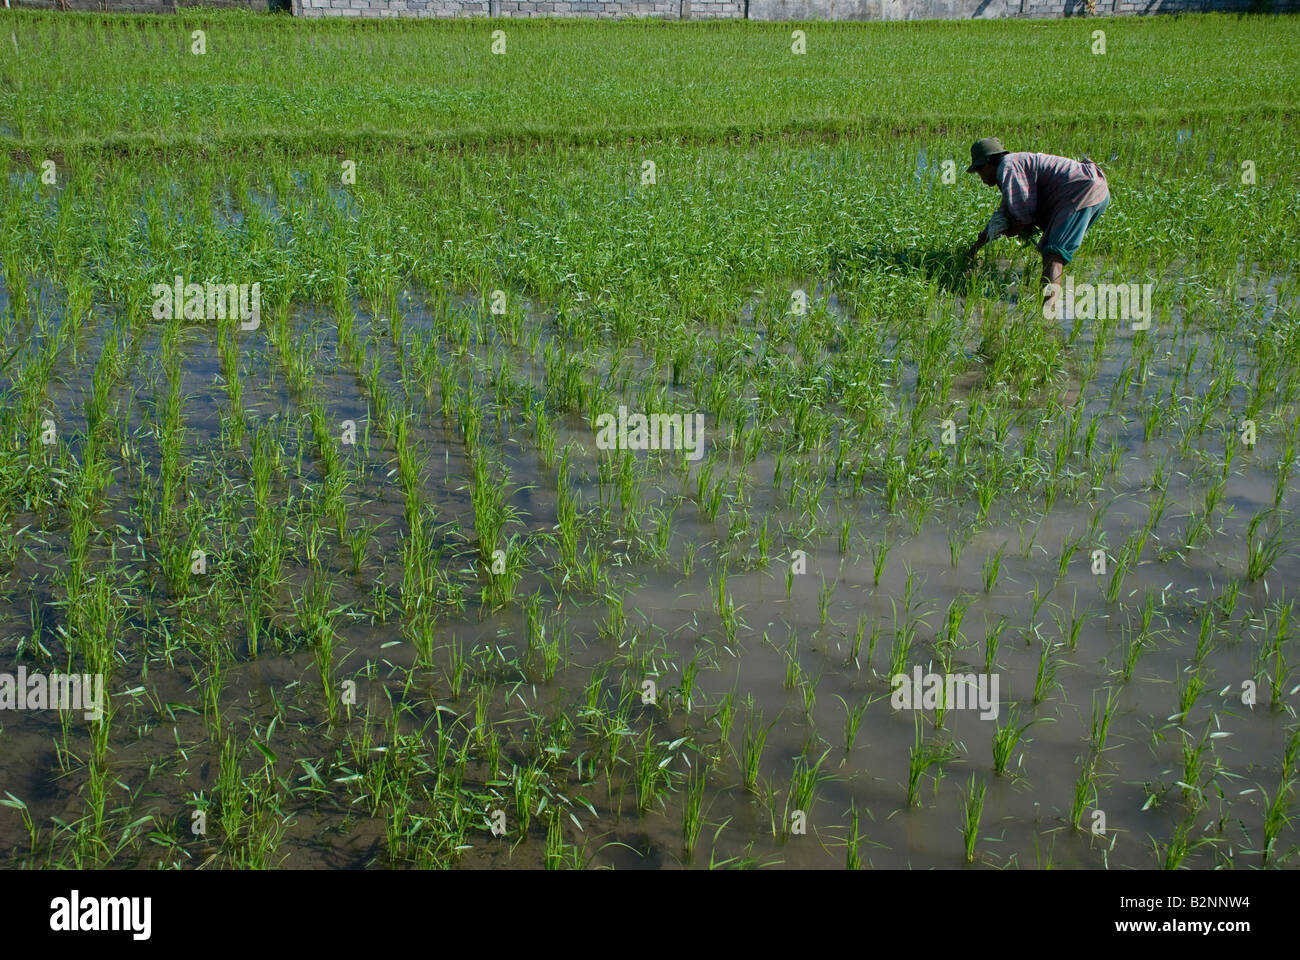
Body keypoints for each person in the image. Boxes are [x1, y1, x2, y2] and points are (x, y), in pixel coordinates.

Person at [964, 138, 1110, 316]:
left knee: (1053, 255)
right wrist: (974, 250)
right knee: (1052, 251)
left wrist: (1013, 230)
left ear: (987, 164)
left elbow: (1024, 213)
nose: (981, 178)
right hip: (1093, 190)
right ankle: (1049, 306)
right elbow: (1005, 212)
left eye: (979, 171)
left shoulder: (1007, 167)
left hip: (1080, 192)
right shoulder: (1014, 165)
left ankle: (1047, 314)